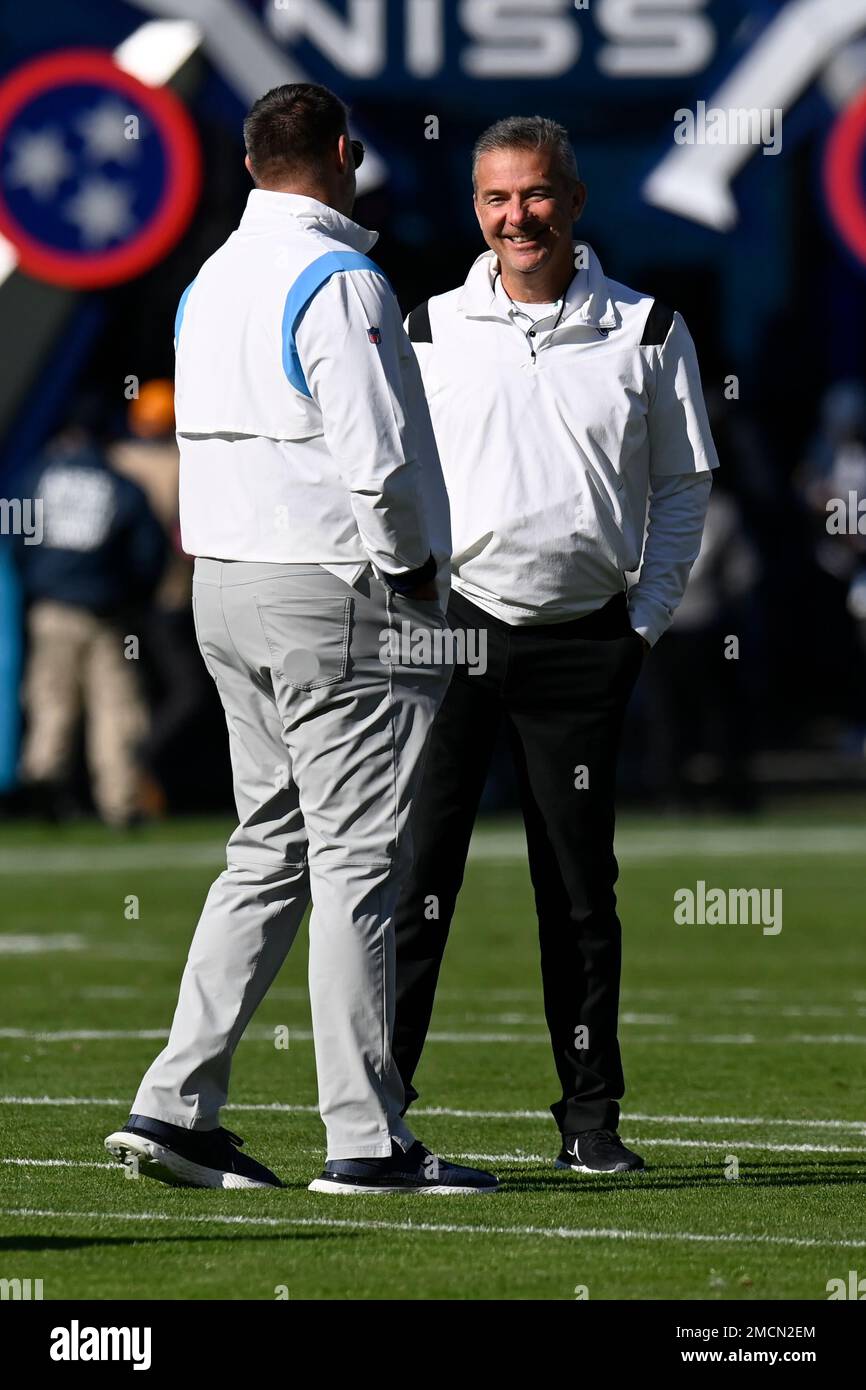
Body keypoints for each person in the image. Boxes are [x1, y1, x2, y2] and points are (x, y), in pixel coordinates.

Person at [105, 83, 497, 1196]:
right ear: (341, 153)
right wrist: (417, 571)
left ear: (243, 161)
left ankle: (176, 1105)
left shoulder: (208, 280)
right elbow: (374, 458)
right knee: (359, 861)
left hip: (224, 583)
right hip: (328, 587)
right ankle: (365, 1139)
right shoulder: (341, 277)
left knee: (268, 844)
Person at [393, 116, 718, 1175]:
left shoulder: (648, 327)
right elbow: (383, 477)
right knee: (415, 881)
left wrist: (643, 616)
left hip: (587, 638)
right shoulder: (425, 330)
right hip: (454, 636)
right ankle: (375, 1115)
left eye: (533, 194)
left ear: (572, 200)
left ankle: (588, 1120)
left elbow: (680, 486)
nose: (514, 216)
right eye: (494, 198)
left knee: (579, 894)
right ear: (474, 210)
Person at [16, 420, 166, 827]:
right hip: (106, 614)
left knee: (50, 702)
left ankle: (43, 782)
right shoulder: (121, 484)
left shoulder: (38, 477)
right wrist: (133, 595)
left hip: (51, 610)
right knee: (115, 708)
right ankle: (121, 802)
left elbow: (16, 535)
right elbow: (148, 551)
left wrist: (37, 583)